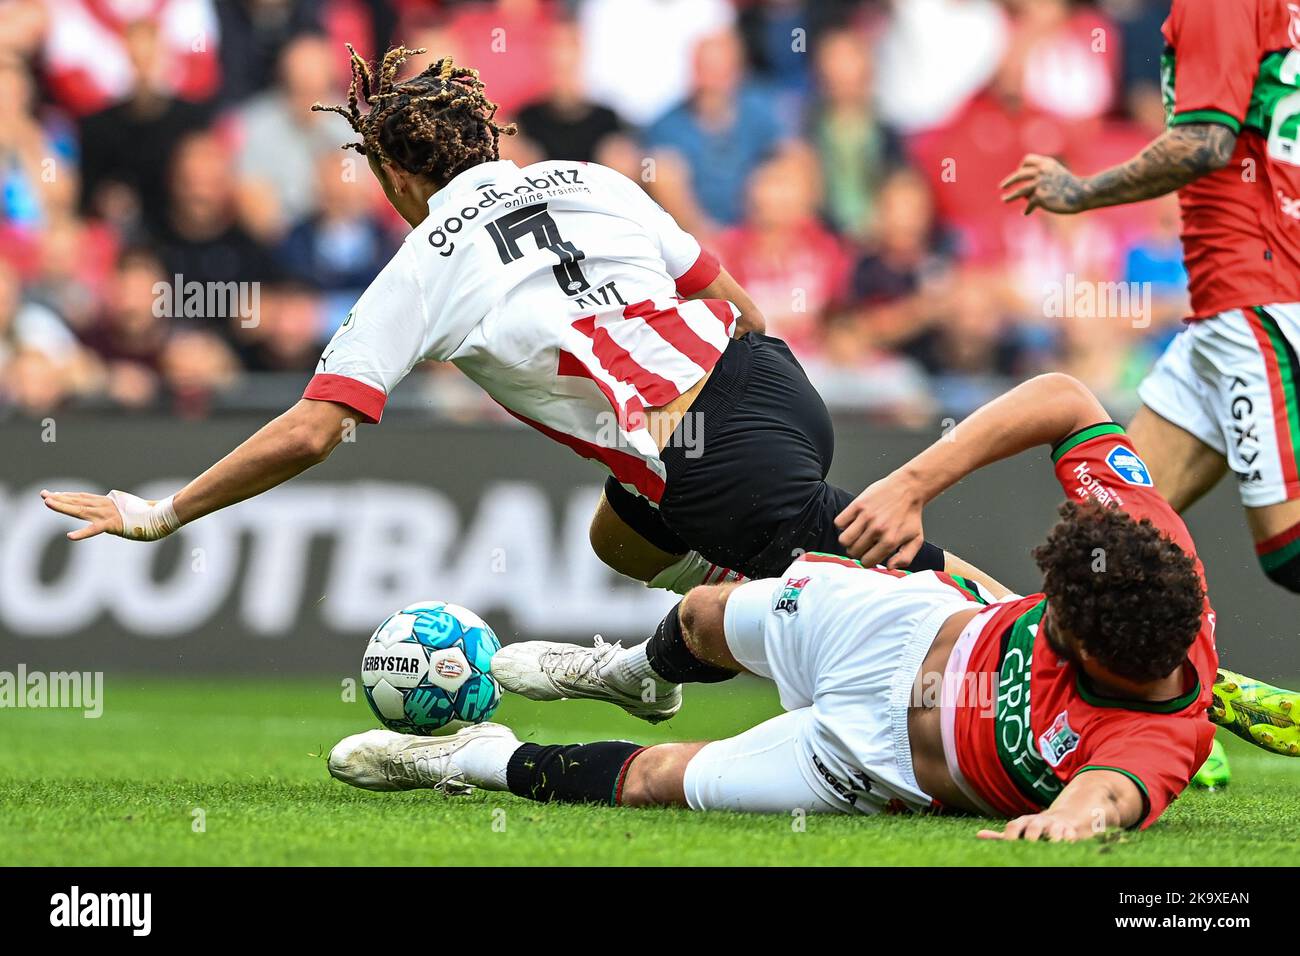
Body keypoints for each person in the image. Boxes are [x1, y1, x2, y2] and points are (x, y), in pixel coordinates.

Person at [38, 43, 965, 620]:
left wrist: (160, 512)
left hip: (710, 453)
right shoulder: (587, 175)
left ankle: (1047, 652)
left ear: (397, 175)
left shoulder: (427, 258)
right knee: (622, 537)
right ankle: (725, 618)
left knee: (894, 585)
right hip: (774, 383)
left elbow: (314, 427)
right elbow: (744, 307)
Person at [327, 374, 1216, 841]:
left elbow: (1107, 797)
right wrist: (910, 483)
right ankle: (632, 673)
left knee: (656, 783)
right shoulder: (1146, 542)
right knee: (708, 614)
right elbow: (1064, 399)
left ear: (1108, 662)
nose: (1045, 621)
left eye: (1058, 631)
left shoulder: (1161, 739)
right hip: (899, 626)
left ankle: (475, 758)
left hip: (871, 766)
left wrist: (1070, 822)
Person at [999, 0, 1300, 761]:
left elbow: (1205, 141)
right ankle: (1188, 700)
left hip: (1254, 295)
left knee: (1290, 548)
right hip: (1222, 309)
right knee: (1110, 540)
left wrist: (1079, 192)